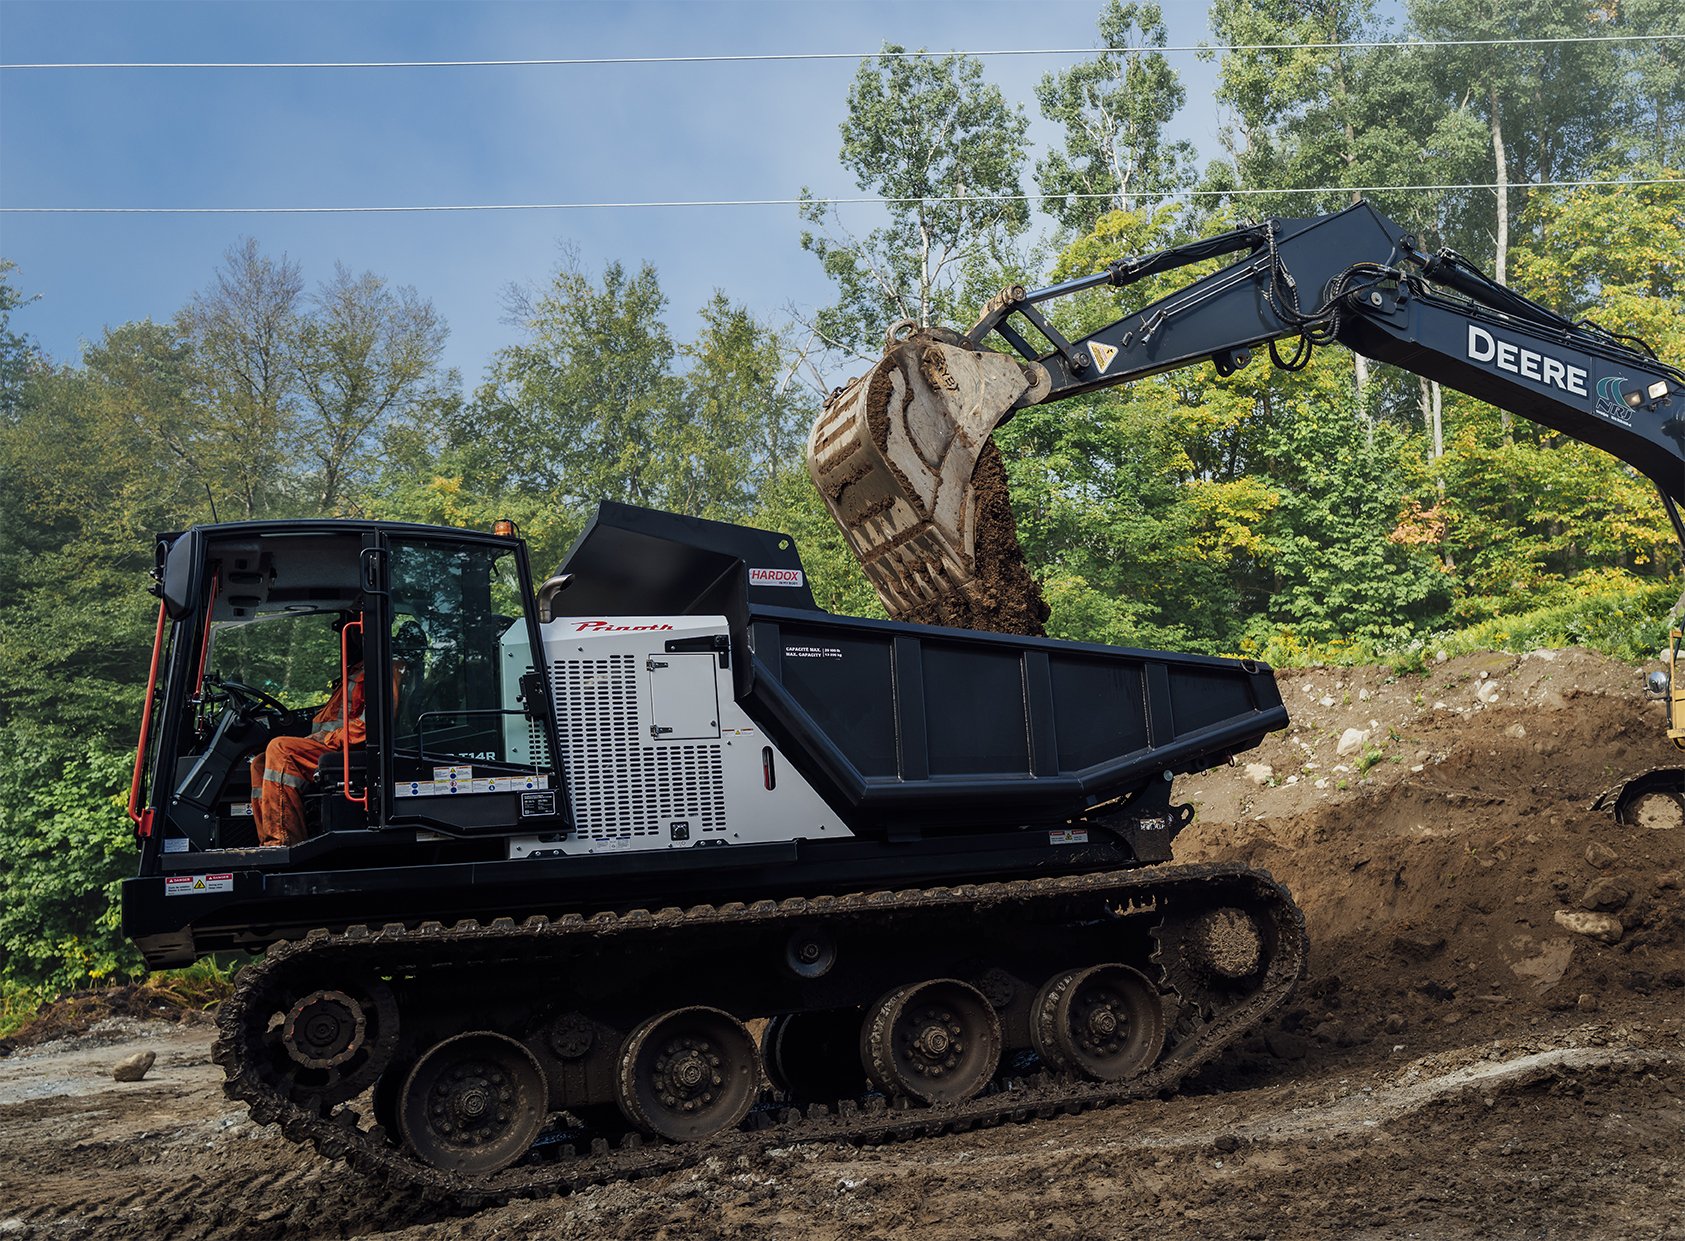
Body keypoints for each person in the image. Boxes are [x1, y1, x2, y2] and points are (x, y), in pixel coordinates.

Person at [249, 616, 367, 847]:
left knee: (280, 749)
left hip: (346, 750)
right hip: (331, 746)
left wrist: (330, 740)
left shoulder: (384, 669)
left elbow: (367, 726)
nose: (353, 632)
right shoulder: (358, 668)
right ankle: (267, 839)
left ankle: (282, 842)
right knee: (260, 762)